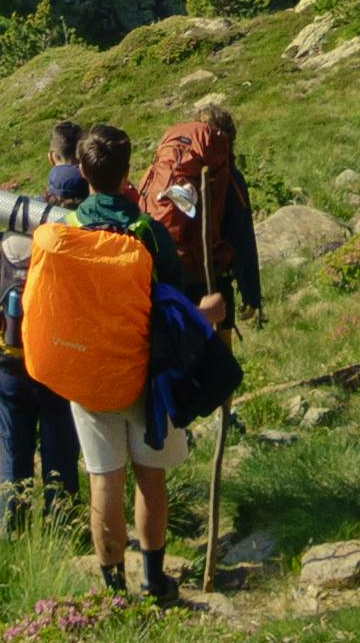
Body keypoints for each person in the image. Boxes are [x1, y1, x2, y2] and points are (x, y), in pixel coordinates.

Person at [59, 122, 188, 608]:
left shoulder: (64, 232)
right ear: (127, 171)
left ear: (81, 171)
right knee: (150, 475)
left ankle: (114, 588)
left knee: (103, 477)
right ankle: (155, 580)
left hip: (89, 373)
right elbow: (175, 297)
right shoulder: (149, 233)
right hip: (144, 371)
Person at [0, 139, 86, 527]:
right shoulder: (76, 250)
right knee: (60, 451)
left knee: (13, 453)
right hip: (55, 365)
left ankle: (12, 531)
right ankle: (64, 529)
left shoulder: (3, 248)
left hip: (8, 362)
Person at [138, 104, 265, 332]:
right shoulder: (230, 179)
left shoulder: (167, 170)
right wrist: (251, 296)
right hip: (212, 281)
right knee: (218, 357)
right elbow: (242, 240)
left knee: (178, 349)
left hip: (166, 275)